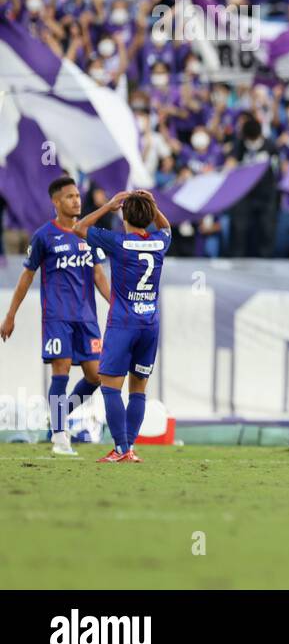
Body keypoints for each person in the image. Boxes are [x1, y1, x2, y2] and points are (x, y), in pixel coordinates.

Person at [1, 176, 109, 456]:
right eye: (70, 196)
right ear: (56, 202)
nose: (77, 200)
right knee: (60, 369)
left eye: (77, 195)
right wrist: (11, 315)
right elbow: (26, 276)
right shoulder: (43, 236)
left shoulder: (90, 234)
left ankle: (58, 417)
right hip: (57, 316)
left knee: (96, 376)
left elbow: (98, 274)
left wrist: (116, 304)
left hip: (87, 318)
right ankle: (61, 437)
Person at [70, 190, 172, 463]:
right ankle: (128, 449)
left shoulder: (118, 242)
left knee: (110, 388)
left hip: (123, 324)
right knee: (138, 390)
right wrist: (152, 205)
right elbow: (166, 227)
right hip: (150, 325)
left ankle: (121, 449)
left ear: (123, 215)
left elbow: (79, 227)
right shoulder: (160, 241)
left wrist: (107, 205)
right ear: (150, 217)